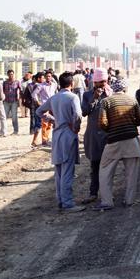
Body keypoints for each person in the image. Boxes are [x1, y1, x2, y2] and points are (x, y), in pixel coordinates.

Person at [35, 72, 85, 212]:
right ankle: (68, 203)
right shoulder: (72, 97)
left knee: (59, 171)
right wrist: (75, 127)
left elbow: (39, 111)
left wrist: (53, 120)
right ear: (71, 84)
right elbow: (78, 115)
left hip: (56, 136)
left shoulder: (54, 98)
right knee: (68, 170)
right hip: (68, 135)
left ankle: (61, 200)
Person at [93, 79, 140, 211]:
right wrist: (129, 125)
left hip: (114, 141)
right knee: (132, 173)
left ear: (113, 88)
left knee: (105, 171)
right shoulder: (132, 100)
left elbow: (102, 123)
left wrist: (111, 130)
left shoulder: (106, 101)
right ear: (125, 89)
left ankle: (107, 201)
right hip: (131, 140)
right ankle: (129, 200)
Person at [81, 68, 110, 203]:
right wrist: (94, 98)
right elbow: (85, 112)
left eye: (103, 82)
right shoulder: (87, 95)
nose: (101, 85)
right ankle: (93, 193)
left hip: (107, 135)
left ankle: (107, 194)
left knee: (108, 167)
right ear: (94, 82)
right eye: (99, 82)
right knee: (94, 166)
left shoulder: (110, 94)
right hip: (93, 136)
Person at [38, 71, 59, 146]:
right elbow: (34, 94)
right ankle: (44, 140)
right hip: (45, 106)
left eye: (49, 76)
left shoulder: (54, 85)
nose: (48, 77)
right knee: (44, 123)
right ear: (45, 77)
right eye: (47, 76)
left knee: (50, 123)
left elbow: (56, 90)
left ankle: (46, 138)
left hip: (52, 106)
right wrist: (38, 103)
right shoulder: (41, 85)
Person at [3, 70, 22, 135]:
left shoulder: (17, 82)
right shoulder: (5, 83)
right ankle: (3, 131)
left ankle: (15, 131)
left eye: (12, 74)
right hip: (6, 101)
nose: (11, 75)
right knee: (4, 116)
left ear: (14, 74)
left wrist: (21, 99)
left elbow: (21, 90)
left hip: (14, 101)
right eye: (9, 74)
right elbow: (2, 91)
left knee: (14, 117)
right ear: (7, 75)